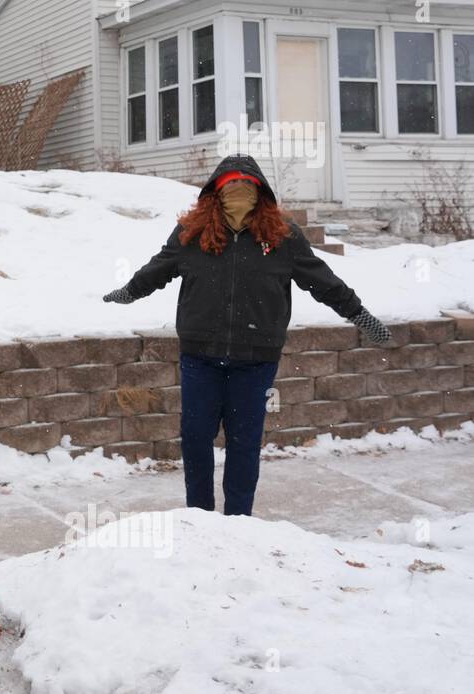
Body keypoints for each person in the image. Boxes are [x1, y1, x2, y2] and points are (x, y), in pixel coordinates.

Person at [102, 154, 392, 516]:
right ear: (215, 191)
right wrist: (130, 291)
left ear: (261, 192)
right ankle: (199, 518)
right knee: (195, 440)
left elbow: (323, 281)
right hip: (200, 357)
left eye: (246, 185)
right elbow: (159, 267)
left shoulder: (282, 236)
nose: (238, 192)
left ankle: (239, 523)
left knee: (244, 445)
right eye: (230, 185)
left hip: (255, 361)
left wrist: (359, 315)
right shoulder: (192, 233)